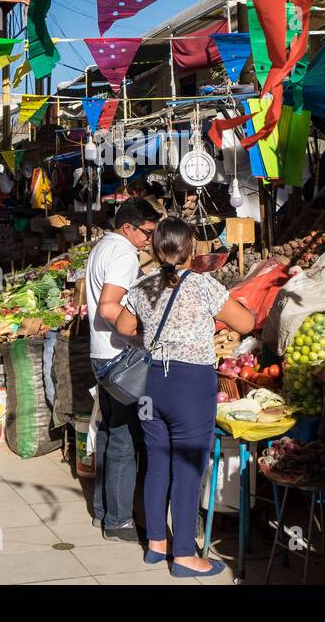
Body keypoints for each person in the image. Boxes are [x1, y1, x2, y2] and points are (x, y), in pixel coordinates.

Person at [115, 216, 254, 576]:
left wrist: (151, 335)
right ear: (190, 248)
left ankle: (156, 545)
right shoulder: (203, 287)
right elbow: (247, 324)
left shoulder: (143, 286)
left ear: (156, 248)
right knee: (188, 468)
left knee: (157, 463)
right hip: (190, 385)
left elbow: (123, 326)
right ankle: (184, 557)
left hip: (153, 386)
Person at [85, 196, 159, 542]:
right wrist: (142, 332)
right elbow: (109, 305)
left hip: (102, 355)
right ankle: (118, 521)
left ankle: (102, 509)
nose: (149, 240)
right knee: (125, 439)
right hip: (121, 357)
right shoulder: (124, 254)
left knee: (108, 431)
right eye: (146, 233)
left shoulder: (102, 247)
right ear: (128, 227)